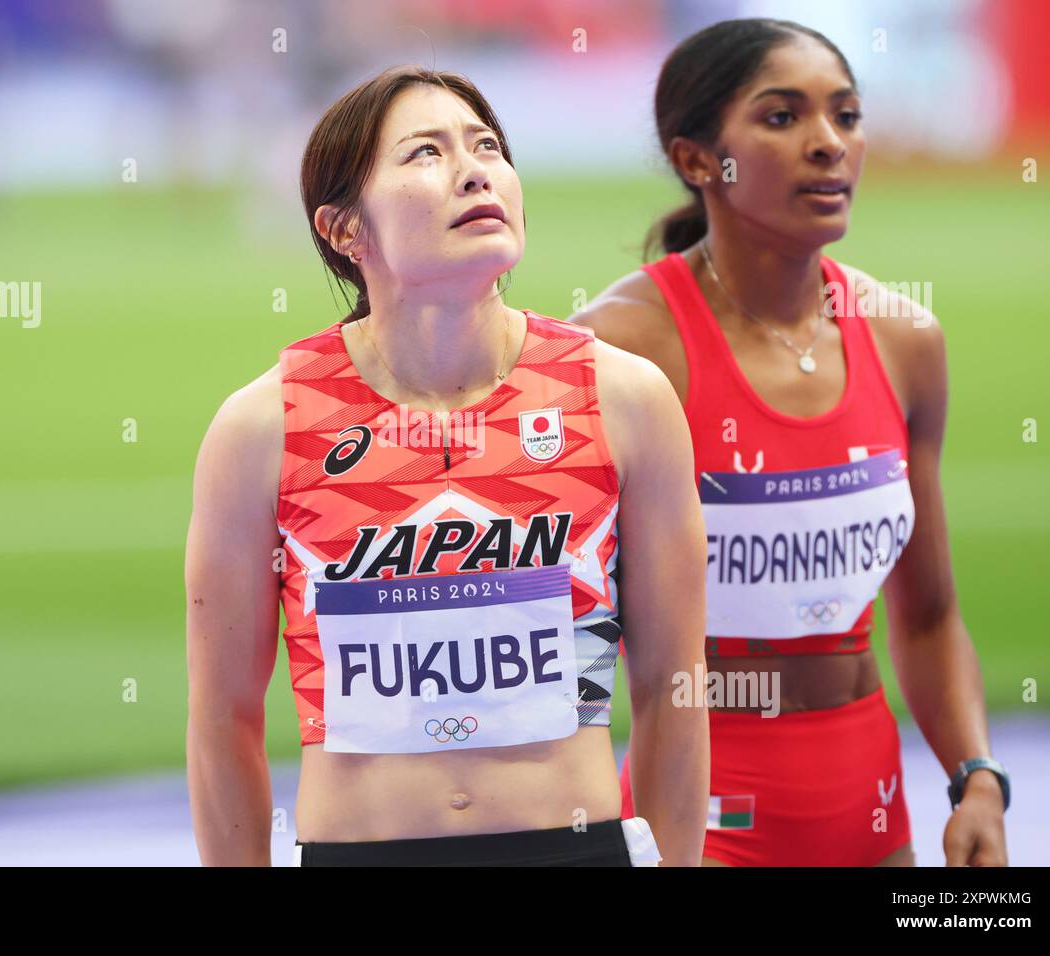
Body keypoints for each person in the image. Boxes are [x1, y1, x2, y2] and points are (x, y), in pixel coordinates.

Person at [185, 66, 708, 866]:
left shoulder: (623, 397)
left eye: (488, 146)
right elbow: (224, 719)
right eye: (425, 153)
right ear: (343, 229)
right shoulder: (263, 427)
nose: (475, 171)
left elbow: (675, 687)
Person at [573, 18, 1008, 867]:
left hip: (873, 814)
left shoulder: (904, 338)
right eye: (782, 117)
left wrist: (978, 782)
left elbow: (928, 615)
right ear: (698, 159)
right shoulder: (623, 350)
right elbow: (567, 629)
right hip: (699, 819)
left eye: (845, 116)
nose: (828, 145)